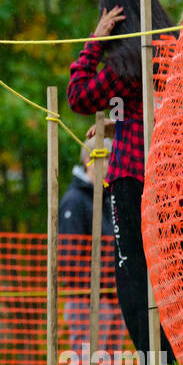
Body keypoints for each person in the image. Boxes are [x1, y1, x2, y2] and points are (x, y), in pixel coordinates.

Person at [67, 0, 176, 364]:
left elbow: (78, 96)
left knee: (131, 265)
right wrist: (122, 119)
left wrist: (94, 41)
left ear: (115, 14)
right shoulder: (174, 47)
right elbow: (158, 108)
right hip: (175, 171)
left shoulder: (123, 61)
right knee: (175, 263)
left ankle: (154, 355)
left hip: (132, 174)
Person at [57, 129, 126, 353]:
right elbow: (68, 261)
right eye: (104, 158)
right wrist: (102, 280)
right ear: (89, 160)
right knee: (87, 364)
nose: (108, 164)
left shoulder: (108, 197)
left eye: (110, 158)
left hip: (113, 296)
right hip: (87, 300)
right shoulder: (75, 202)